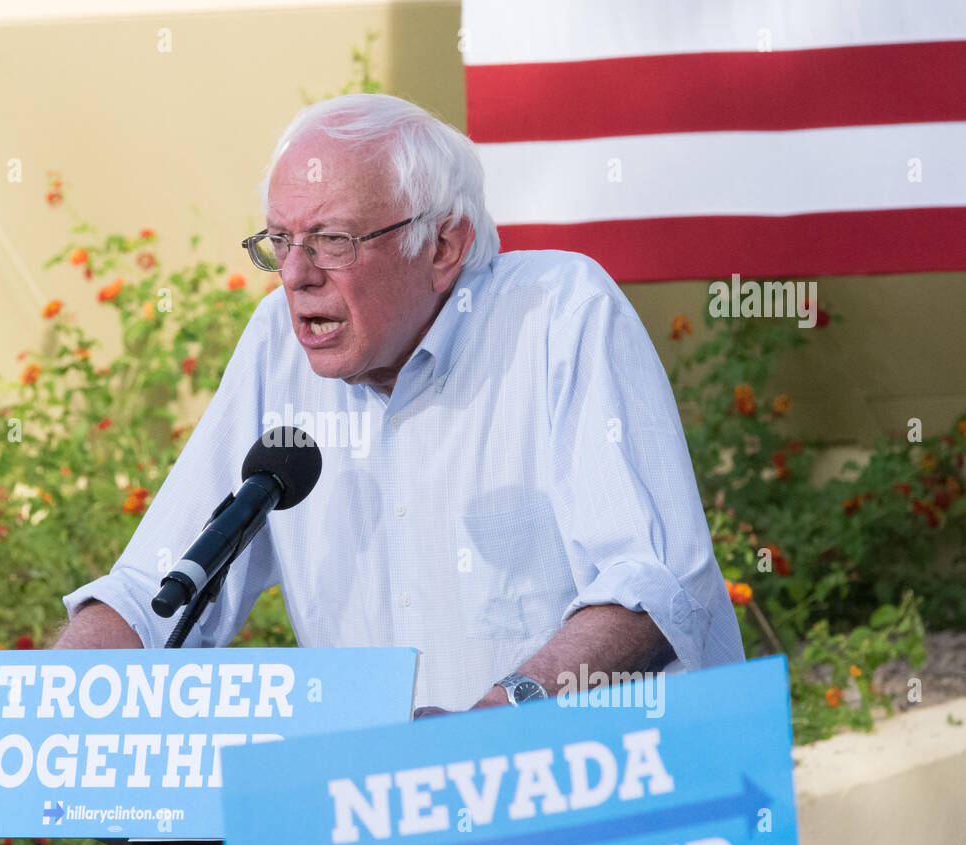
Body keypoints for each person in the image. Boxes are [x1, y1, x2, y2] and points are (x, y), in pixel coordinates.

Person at [54, 93, 744, 717]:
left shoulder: (558, 314)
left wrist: (503, 720)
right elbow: (156, 591)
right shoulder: (276, 344)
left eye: (333, 240)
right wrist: (49, 696)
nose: (296, 275)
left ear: (443, 244)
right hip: (383, 818)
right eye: (281, 241)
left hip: (602, 807)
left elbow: (652, 589)